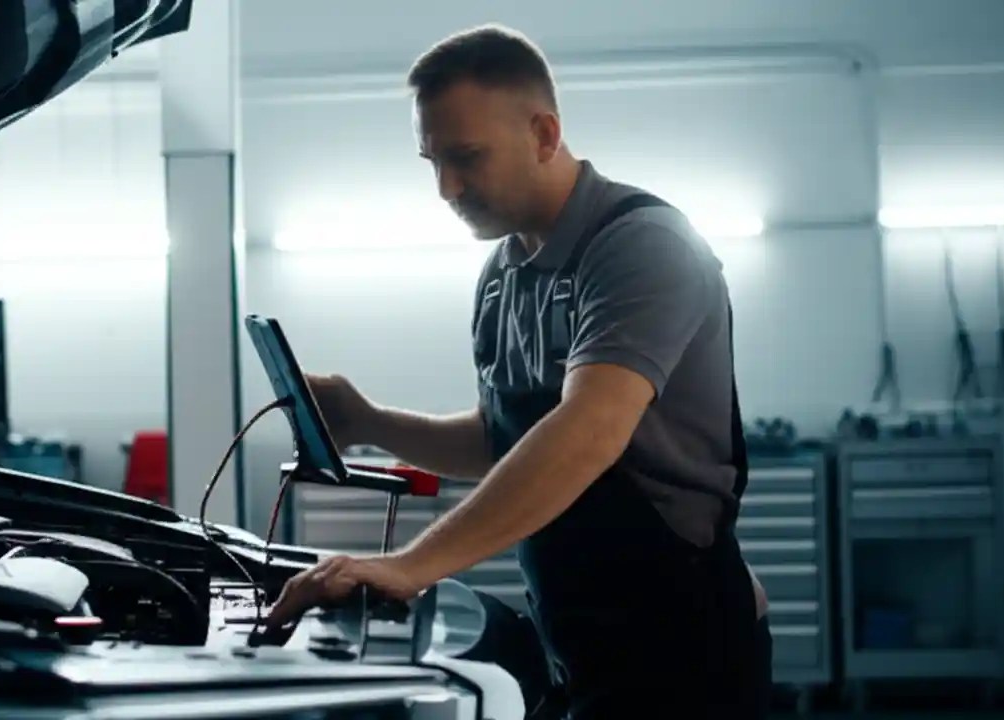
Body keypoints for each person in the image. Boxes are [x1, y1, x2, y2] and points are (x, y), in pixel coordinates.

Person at [265, 24, 771, 718]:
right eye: (432, 160)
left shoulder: (643, 247)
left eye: (466, 158)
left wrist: (410, 565)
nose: (445, 187)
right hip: (577, 640)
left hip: (681, 646)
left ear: (544, 133)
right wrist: (368, 422)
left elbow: (587, 432)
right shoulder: (504, 276)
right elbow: (501, 438)